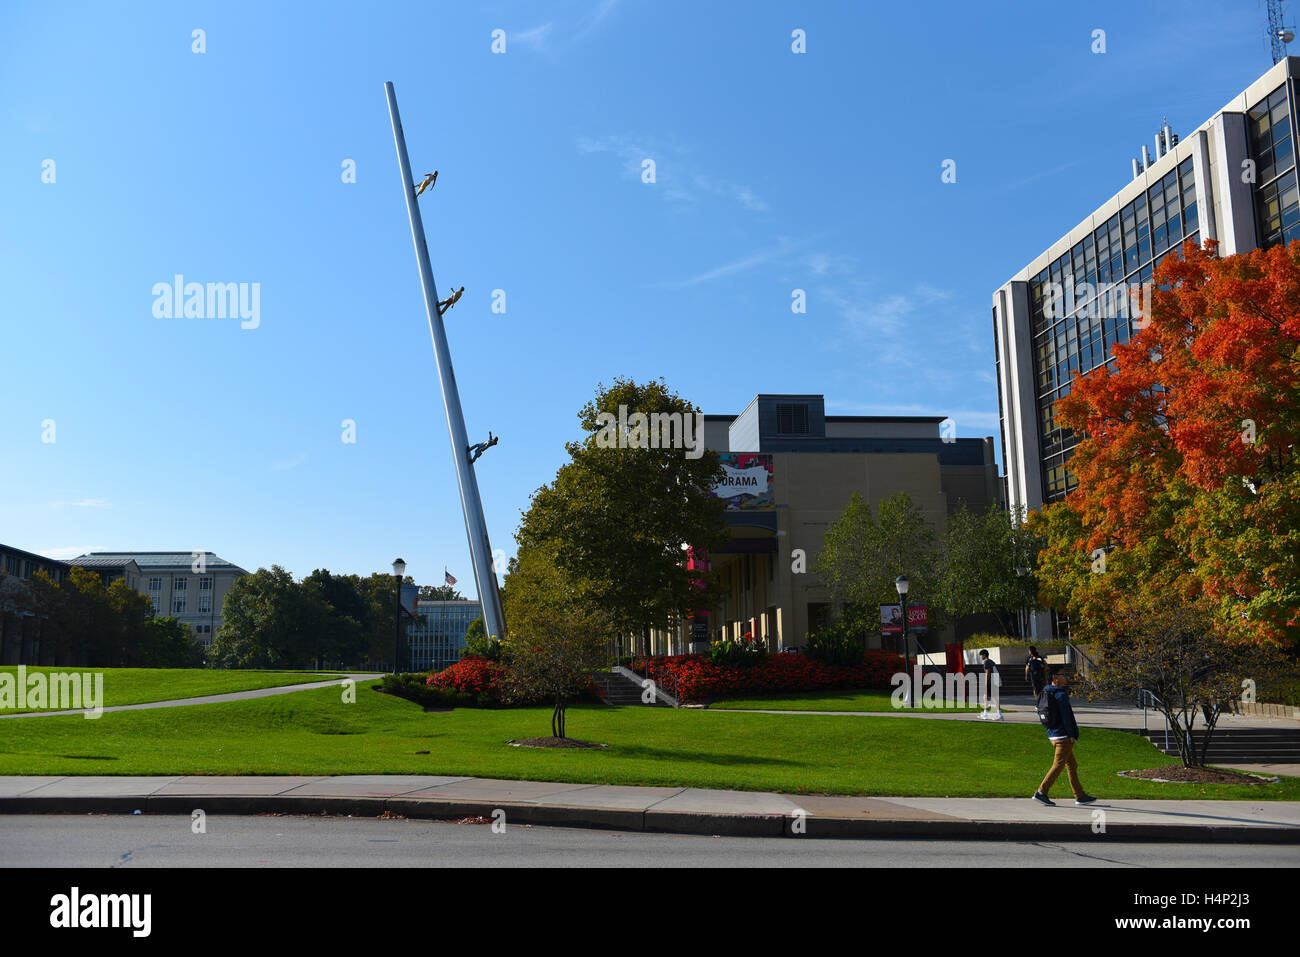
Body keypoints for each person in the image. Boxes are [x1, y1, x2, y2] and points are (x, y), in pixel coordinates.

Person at [1033, 667, 1096, 806]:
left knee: (1072, 764)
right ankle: (1041, 792)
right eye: (1063, 675)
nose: (1066, 677)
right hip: (1063, 736)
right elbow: (1067, 716)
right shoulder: (1060, 694)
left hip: (1052, 734)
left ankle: (1080, 795)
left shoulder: (1045, 692)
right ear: (1055, 677)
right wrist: (1071, 734)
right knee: (1059, 764)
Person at [977, 649, 1003, 720]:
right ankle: (985, 713)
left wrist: (985, 682)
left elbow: (988, 672)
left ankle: (999, 714)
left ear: (984, 655)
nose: (981, 657)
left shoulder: (986, 662)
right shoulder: (991, 661)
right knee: (985, 697)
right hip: (993, 681)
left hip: (990, 682)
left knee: (994, 698)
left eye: (981, 655)